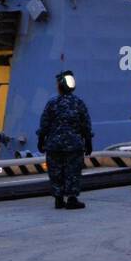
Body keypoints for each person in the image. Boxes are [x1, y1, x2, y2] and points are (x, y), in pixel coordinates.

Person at [36, 69, 94, 210]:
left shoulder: (52, 103)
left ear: (59, 86)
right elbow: (85, 124)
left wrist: (41, 140)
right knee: (73, 172)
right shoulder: (78, 103)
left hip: (54, 145)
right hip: (74, 145)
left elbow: (44, 124)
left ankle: (58, 199)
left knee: (56, 172)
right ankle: (72, 199)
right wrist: (88, 141)